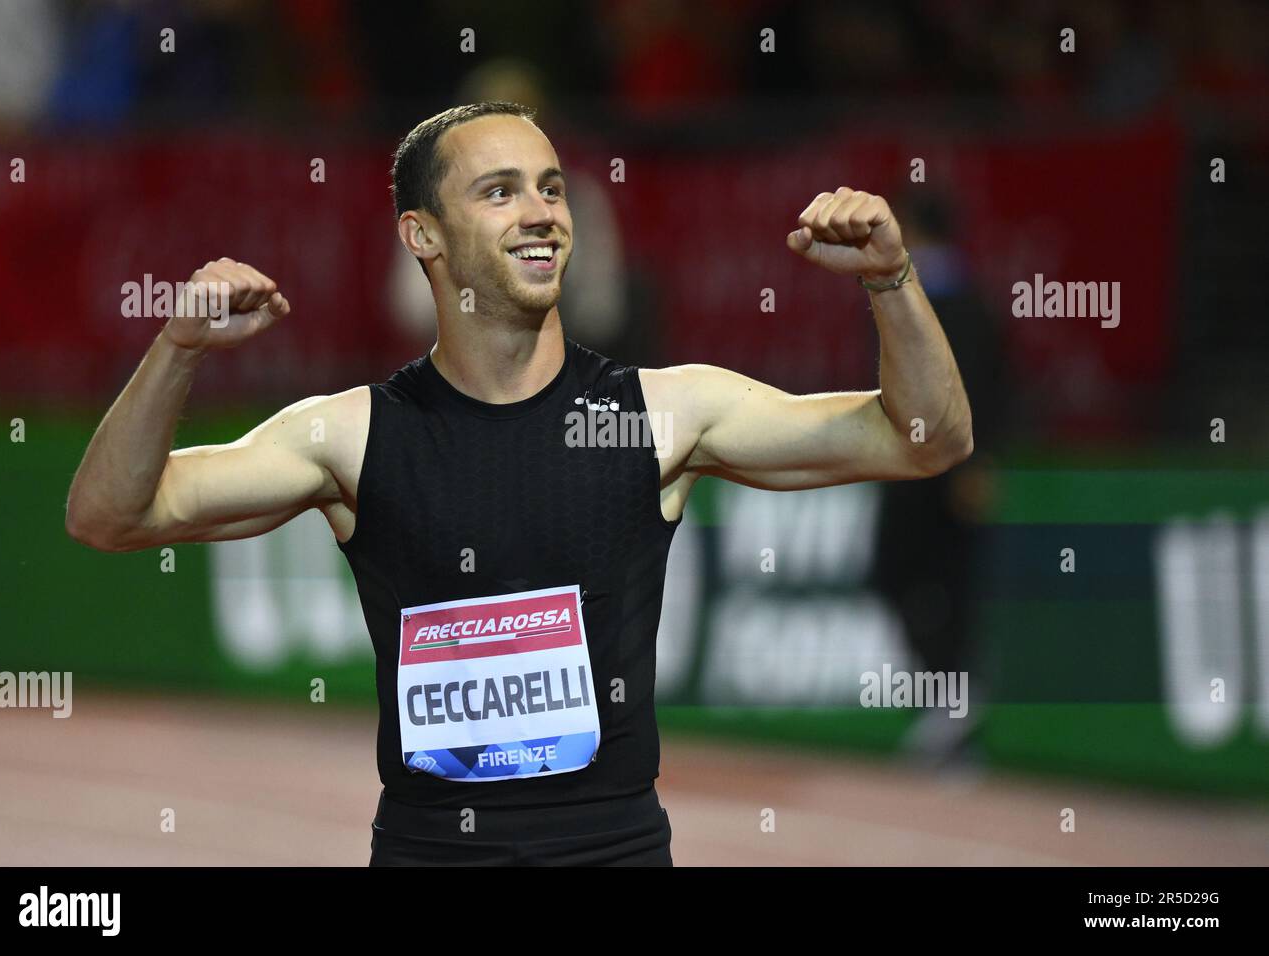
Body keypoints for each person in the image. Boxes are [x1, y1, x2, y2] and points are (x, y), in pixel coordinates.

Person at [65, 102, 973, 866]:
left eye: (550, 188)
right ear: (422, 235)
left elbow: (923, 439)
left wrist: (892, 280)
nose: (540, 212)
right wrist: (176, 349)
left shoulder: (665, 414)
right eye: (499, 192)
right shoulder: (349, 436)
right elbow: (110, 515)